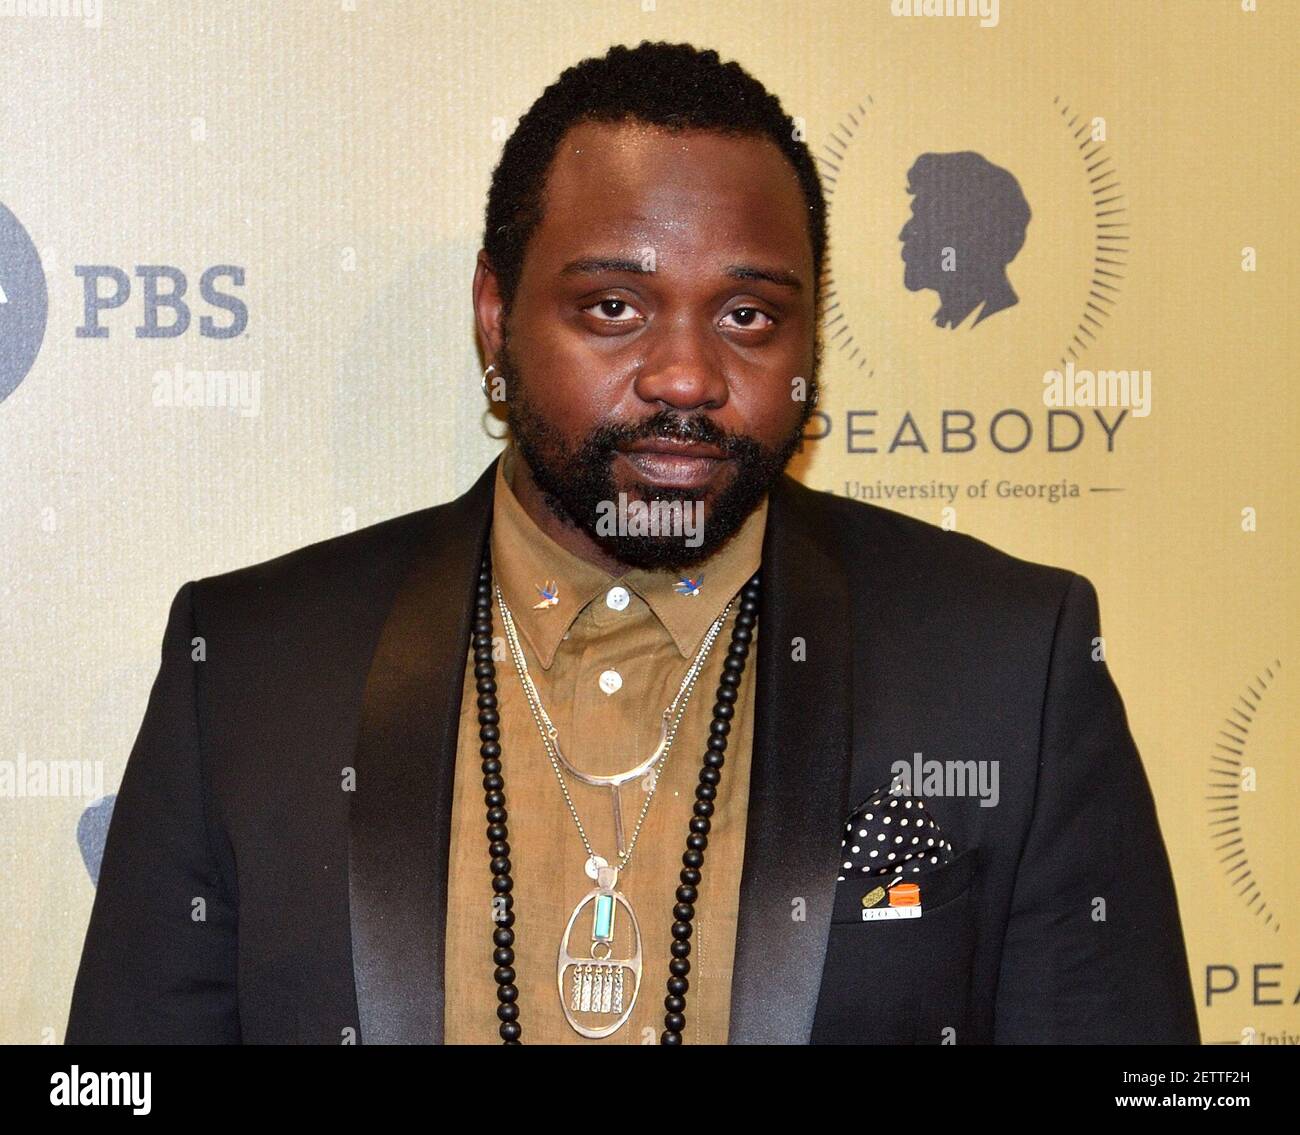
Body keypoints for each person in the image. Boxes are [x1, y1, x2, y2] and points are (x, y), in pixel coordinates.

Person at [66, 40, 1198, 1045]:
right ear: (493, 315)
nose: (688, 377)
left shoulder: (1007, 664)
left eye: (747, 315)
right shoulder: (254, 666)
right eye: (613, 306)